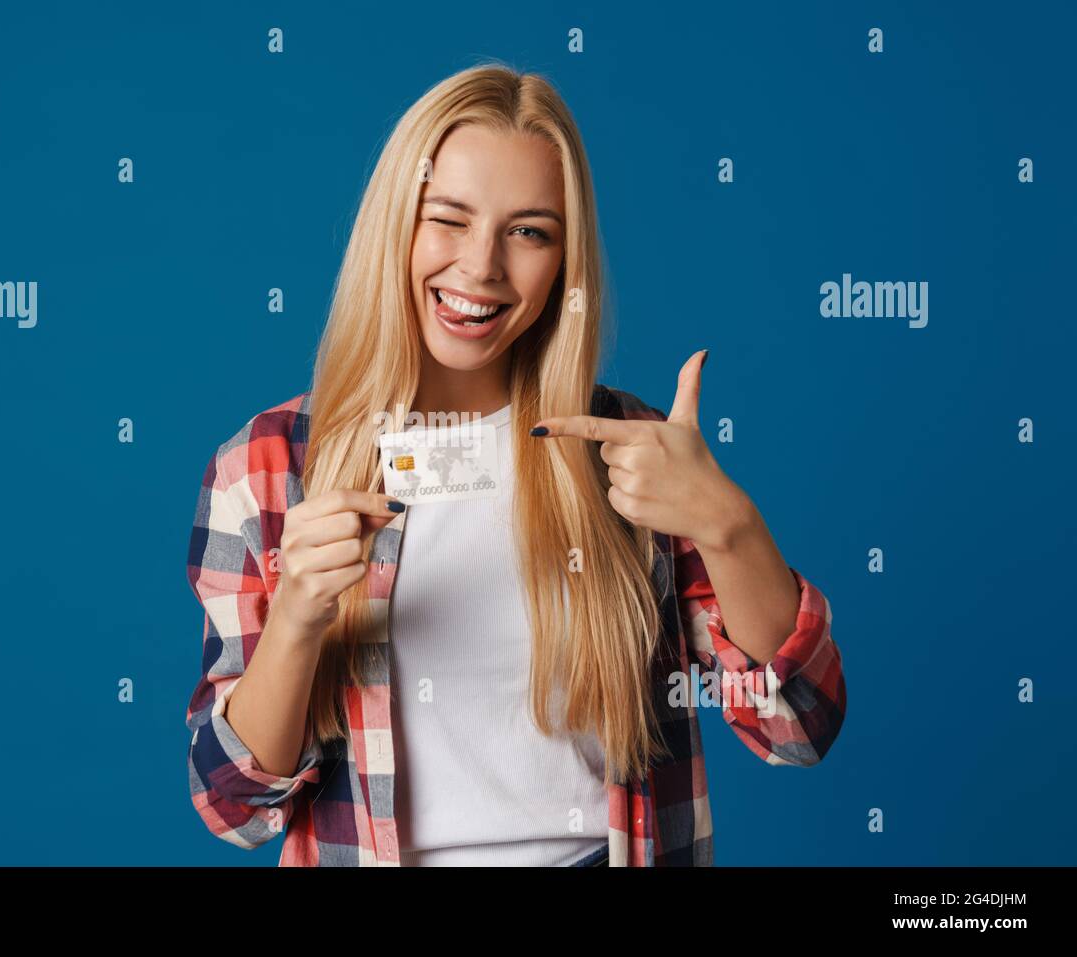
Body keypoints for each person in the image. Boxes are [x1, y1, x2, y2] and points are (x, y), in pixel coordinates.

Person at [184, 61, 846, 867]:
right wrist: (294, 620)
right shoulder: (264, 468)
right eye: (449, 219)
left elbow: (798, 728)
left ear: (566, 262)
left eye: (528, 231)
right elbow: (233, 807)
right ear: (396, 222)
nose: (481, 268)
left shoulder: (630, 455)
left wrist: (730, 526)